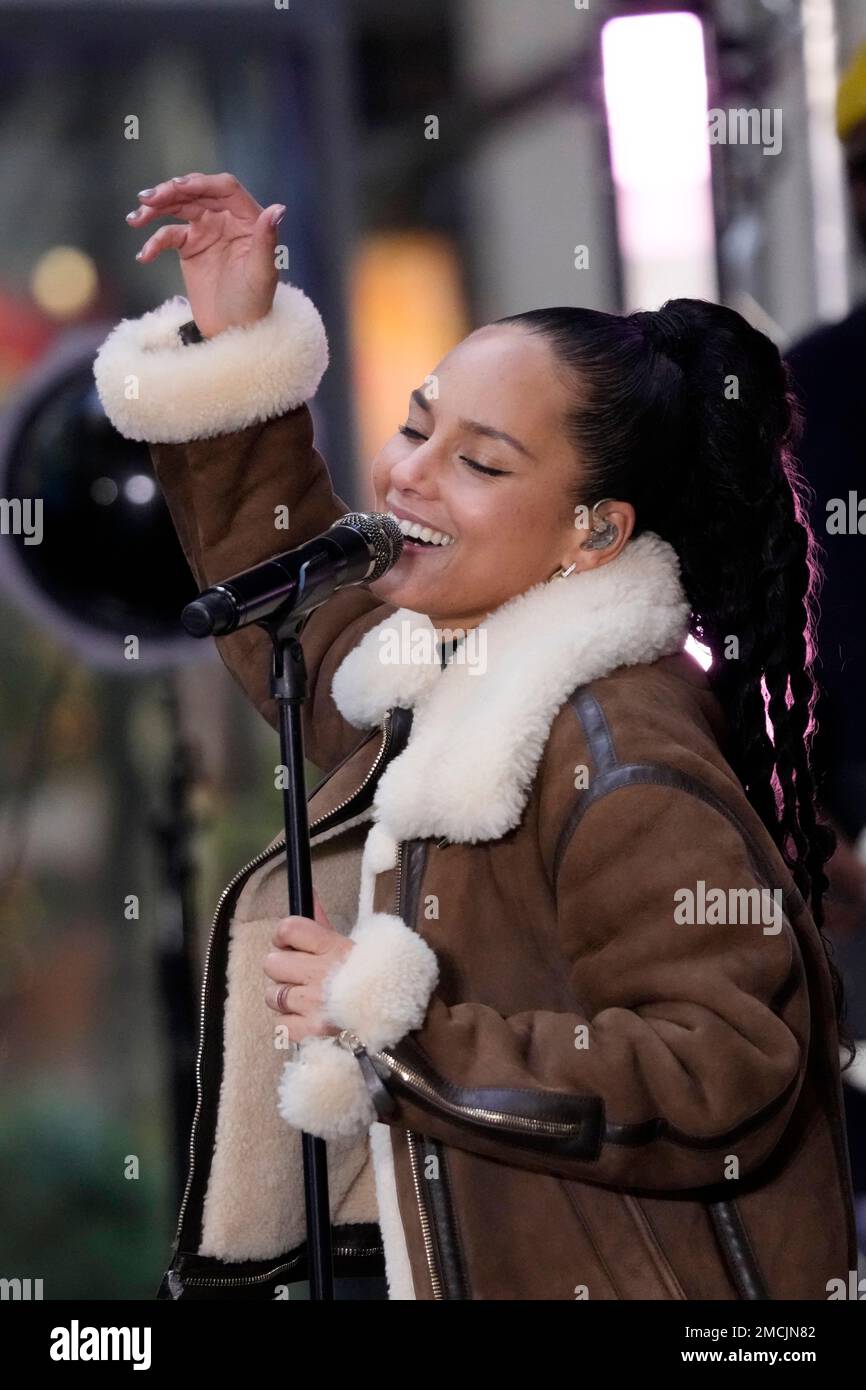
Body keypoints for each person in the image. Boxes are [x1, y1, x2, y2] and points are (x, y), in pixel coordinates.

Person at [94, 171, 858, 1301]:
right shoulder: (465, 675)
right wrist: (235, 339)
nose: (407, 471)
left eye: (478, 461)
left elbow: (720, 1067)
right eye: (415, 423)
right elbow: (310, 638)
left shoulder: (615, 741)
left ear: (591, 532)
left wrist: (396, 1022)